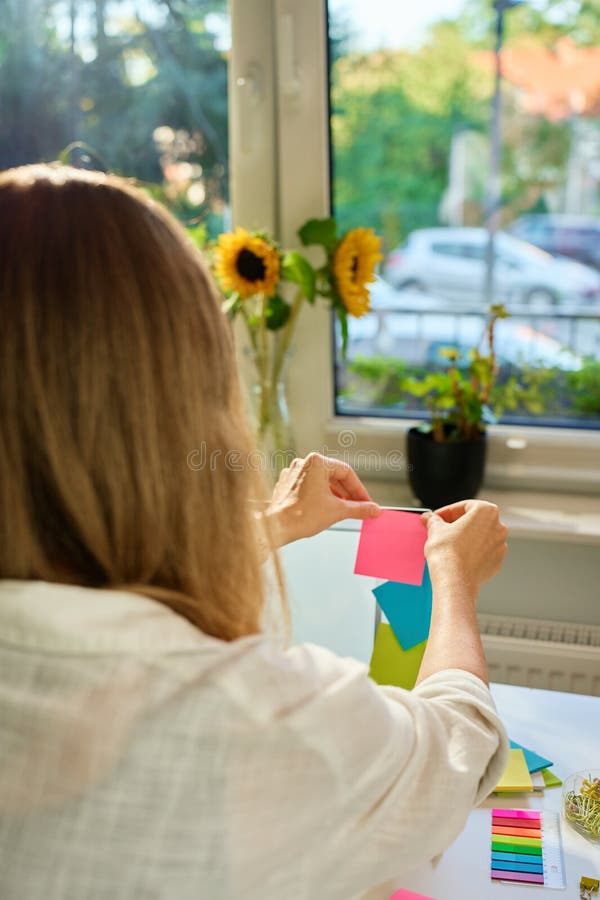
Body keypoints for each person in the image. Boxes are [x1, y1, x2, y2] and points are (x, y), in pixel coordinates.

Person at [0, 164, 509, 900]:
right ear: (188, 407)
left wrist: (272, 526)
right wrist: (456, 582)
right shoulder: (258, 722)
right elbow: (455, 751)